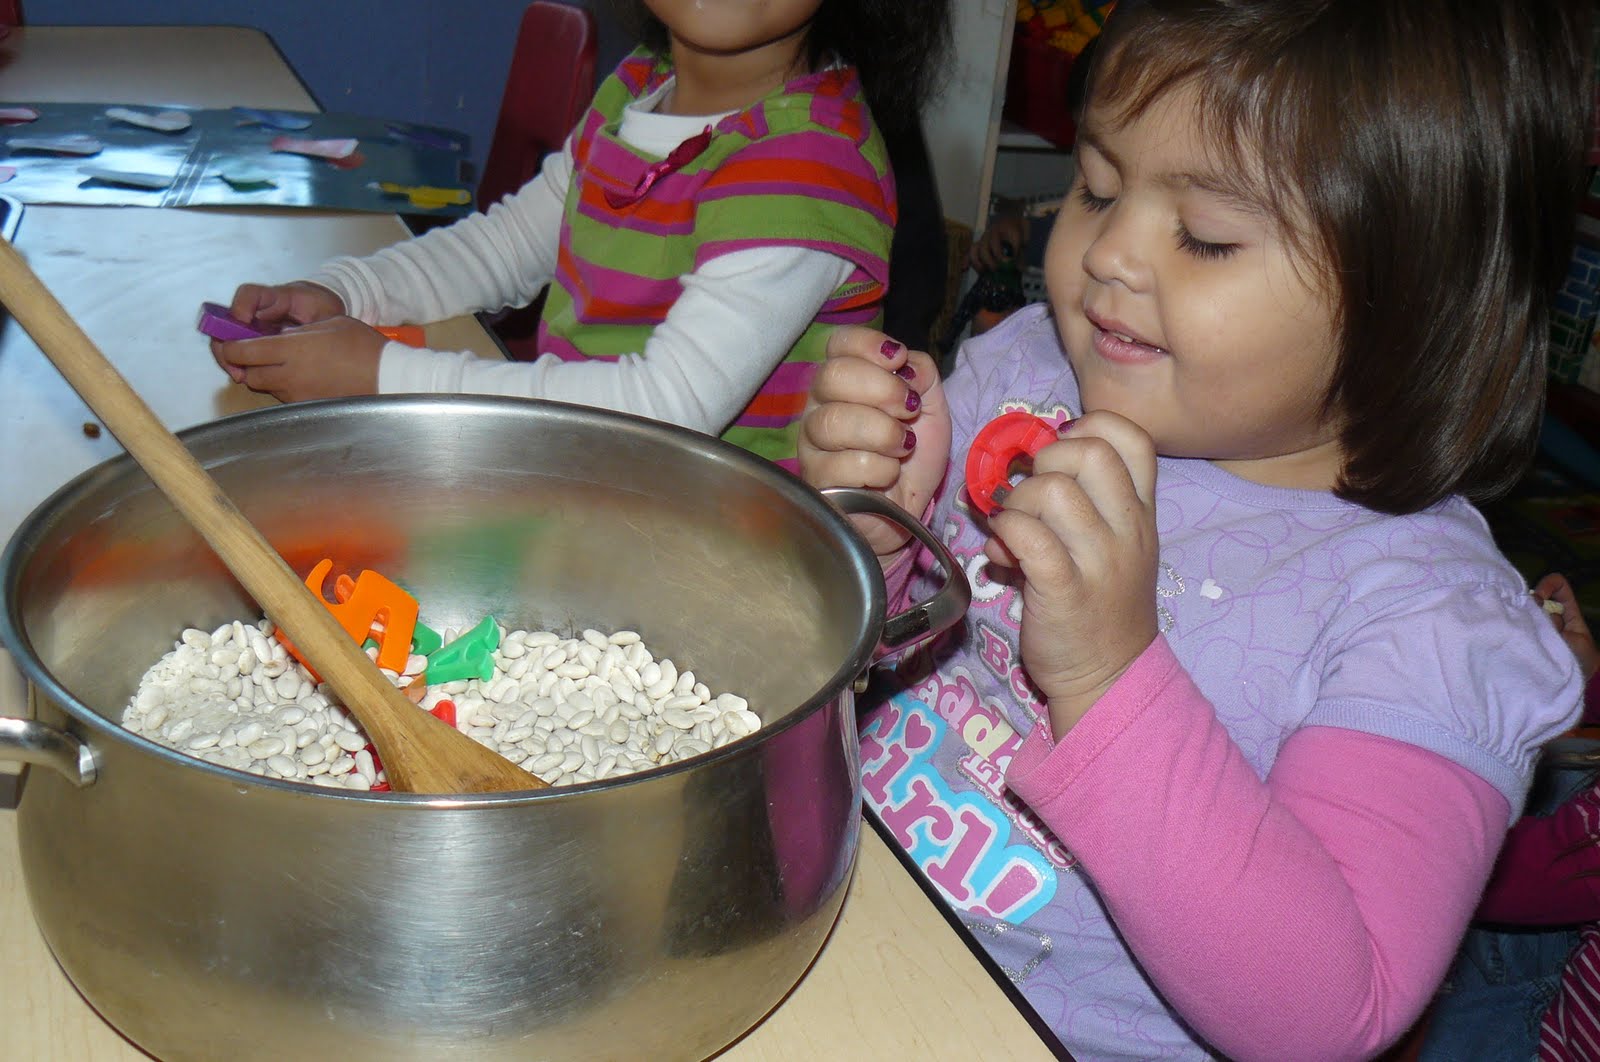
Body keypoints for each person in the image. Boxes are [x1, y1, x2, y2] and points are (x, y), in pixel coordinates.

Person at [796, 0, 1593, 1058]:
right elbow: (849, 671)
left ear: (1415, 300)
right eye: (1096, 186)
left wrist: (1112, 682)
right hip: (834, 925)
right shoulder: (1028, 371)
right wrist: (879, 539)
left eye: (1205, 238)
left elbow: (1328, 1012)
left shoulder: (1429, 625)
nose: (1107, 256)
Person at [208, 0, 951, 469]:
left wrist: (379, 375)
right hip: (583, 474)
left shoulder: (808, 167)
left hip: (709, 555)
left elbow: (666, 410)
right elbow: (504, 248)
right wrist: (347, 291)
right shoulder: (640, 83)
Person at [1420, 573, 1600, 1061]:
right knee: (1561, 782)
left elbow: (1493, 878)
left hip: (1556, 1040)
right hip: (1566, 919)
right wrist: (1581, 676)